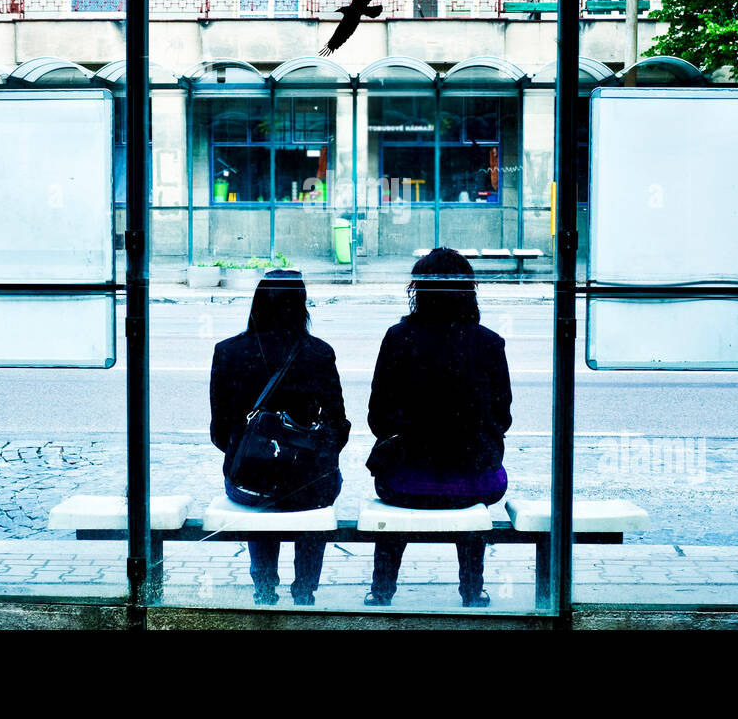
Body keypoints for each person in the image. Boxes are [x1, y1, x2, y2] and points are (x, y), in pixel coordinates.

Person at [365, 247, 513, 607]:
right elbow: (503, 416)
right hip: (473, 481)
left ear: (419, 290)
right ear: (468, 290)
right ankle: (472, 591)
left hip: (402, 483)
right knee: (467, 499)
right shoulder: (488, 343)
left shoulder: (398, 338)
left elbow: (376, 416)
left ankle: (382, 591)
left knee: (402, 491)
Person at [210, 269, 350, 605]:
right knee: (315, 485)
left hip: (248, 484)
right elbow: (338, 426)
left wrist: (259, 452)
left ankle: (264, 587)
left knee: (261, 488)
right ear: (302, 306)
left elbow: (220, 432)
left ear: (257, 303)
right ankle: (305, 590)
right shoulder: (318, 353)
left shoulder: (228, 352)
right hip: (308, 486)